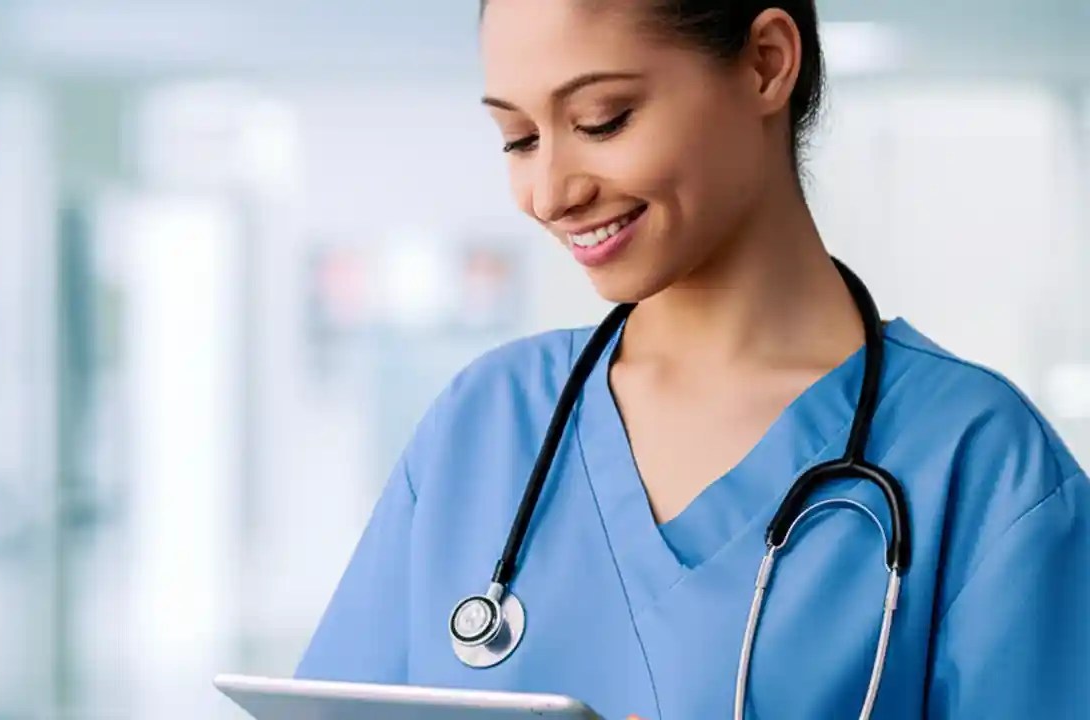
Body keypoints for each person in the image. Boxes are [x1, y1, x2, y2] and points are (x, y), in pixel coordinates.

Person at [293, 0, 1090, 718]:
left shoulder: (980, 463)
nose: (549, 192)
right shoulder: (487, 420)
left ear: (766, 63)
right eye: (519, 138)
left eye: (603, 120)